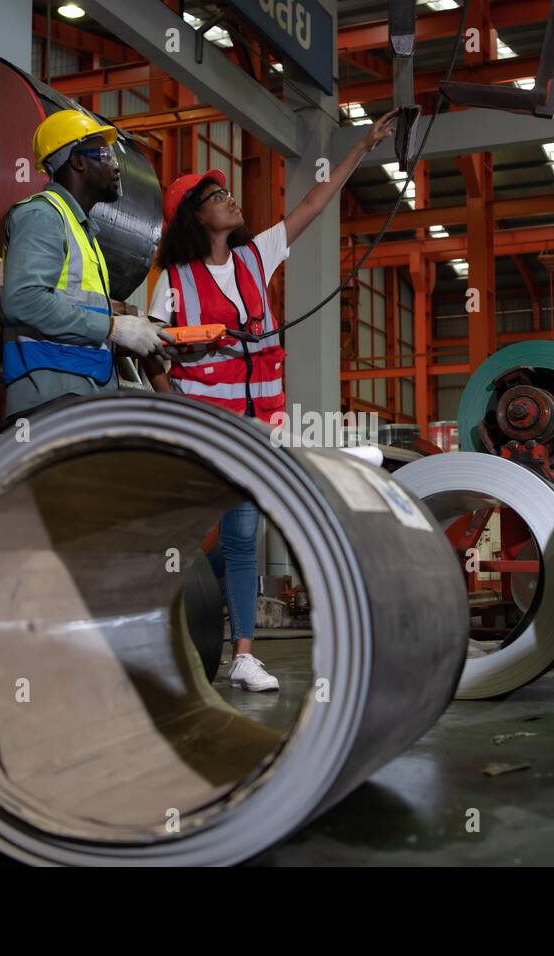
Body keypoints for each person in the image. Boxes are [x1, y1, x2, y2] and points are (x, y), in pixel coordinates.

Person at [146, 110, 397, 692]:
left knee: (241, 540)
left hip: (259, 431)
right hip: (205, 433)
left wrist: (362, 146)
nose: (231, 200)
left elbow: (313, 204)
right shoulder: (174, 281)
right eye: (217, 196)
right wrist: (174, 408)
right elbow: (152, 352)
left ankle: (242, 656)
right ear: (195, 215)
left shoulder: (255, 256)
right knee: (181, 534)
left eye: (230, 192)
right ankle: (155, 637)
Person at [0, 109, 172, 419]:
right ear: (77, 162)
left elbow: (81, 315)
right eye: (104, 154)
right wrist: (114, 327)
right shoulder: (43, 216)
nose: (116, 165)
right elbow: (23, 300)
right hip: (51, 397)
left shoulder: (83, 229)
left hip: (81, 394)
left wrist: (138, 338)